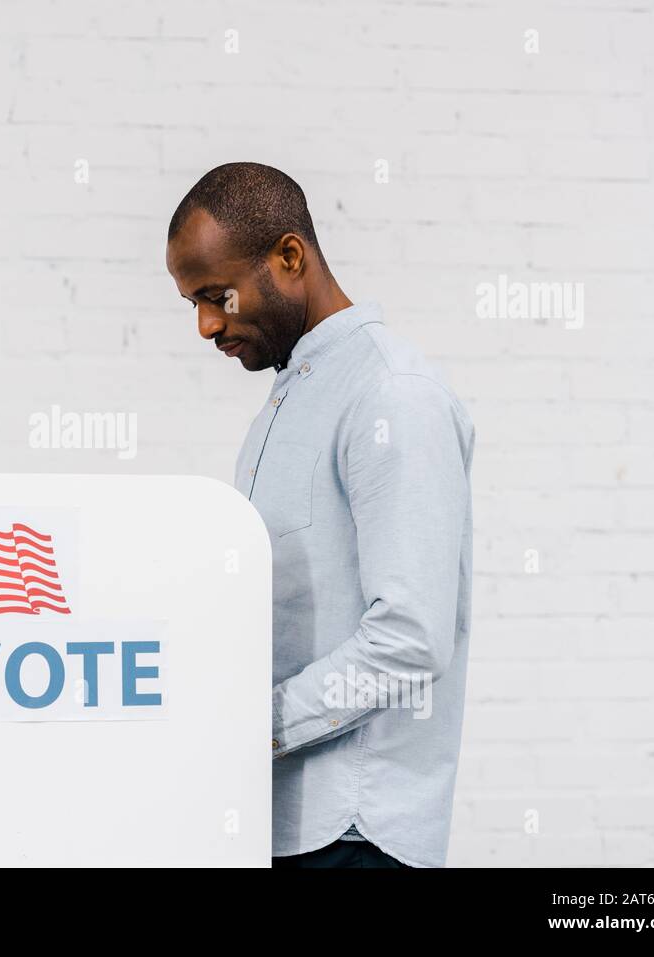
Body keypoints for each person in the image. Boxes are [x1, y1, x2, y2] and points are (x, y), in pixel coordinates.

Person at [165, 163, 476, 868]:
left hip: (354, 833)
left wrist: (249, 726)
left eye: (217, 295)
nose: (207, 324)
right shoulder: (290, 398)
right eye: (192, 303)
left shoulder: (392, 395)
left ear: (290, 257)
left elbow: (410, 636)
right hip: (280, 822)